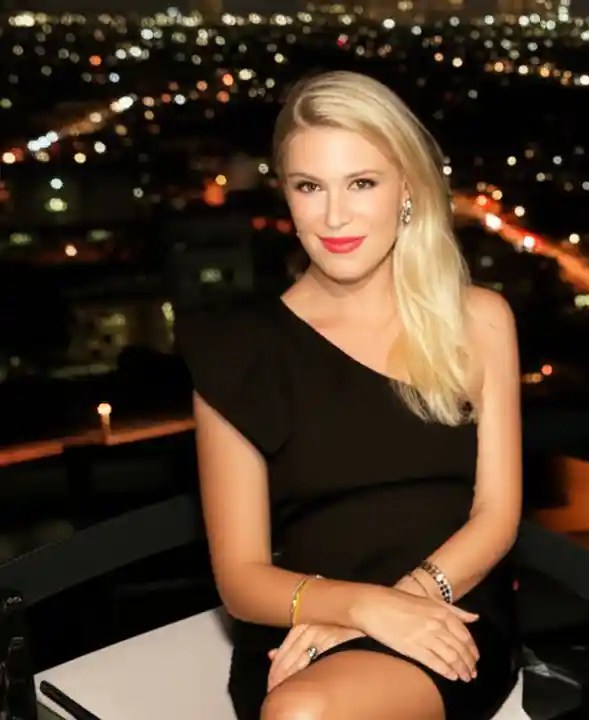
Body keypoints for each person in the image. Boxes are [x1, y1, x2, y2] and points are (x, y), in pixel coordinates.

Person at [176, 70, 522, 720]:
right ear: (287, 196)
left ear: (409, 189)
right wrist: (362, 609)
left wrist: (407, 603)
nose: (334, 216)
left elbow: (497, 515)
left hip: (450, 612)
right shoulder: (237, 351)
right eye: (311, 187)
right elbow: (242, 581)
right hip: (304, 626)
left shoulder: (478, 320)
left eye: (362, 183)